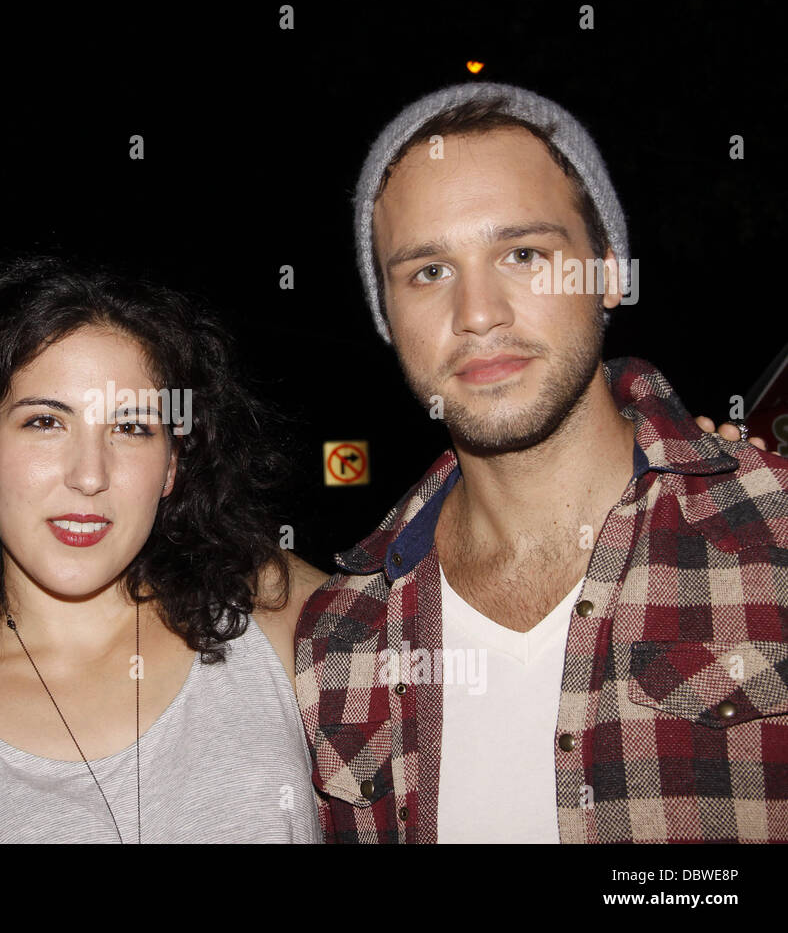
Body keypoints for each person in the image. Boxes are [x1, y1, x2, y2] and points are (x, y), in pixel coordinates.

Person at [296, 82, 788, 843]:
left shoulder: (775, 533)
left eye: (523, 253)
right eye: (428, 271)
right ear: (386, 321)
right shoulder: (340, 639)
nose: (479, 313)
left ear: (610, 273)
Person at [0, 258, 329, 842]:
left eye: (131, 427)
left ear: (171, 464)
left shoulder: (272, 611)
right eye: (45, 421)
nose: (89, 476)